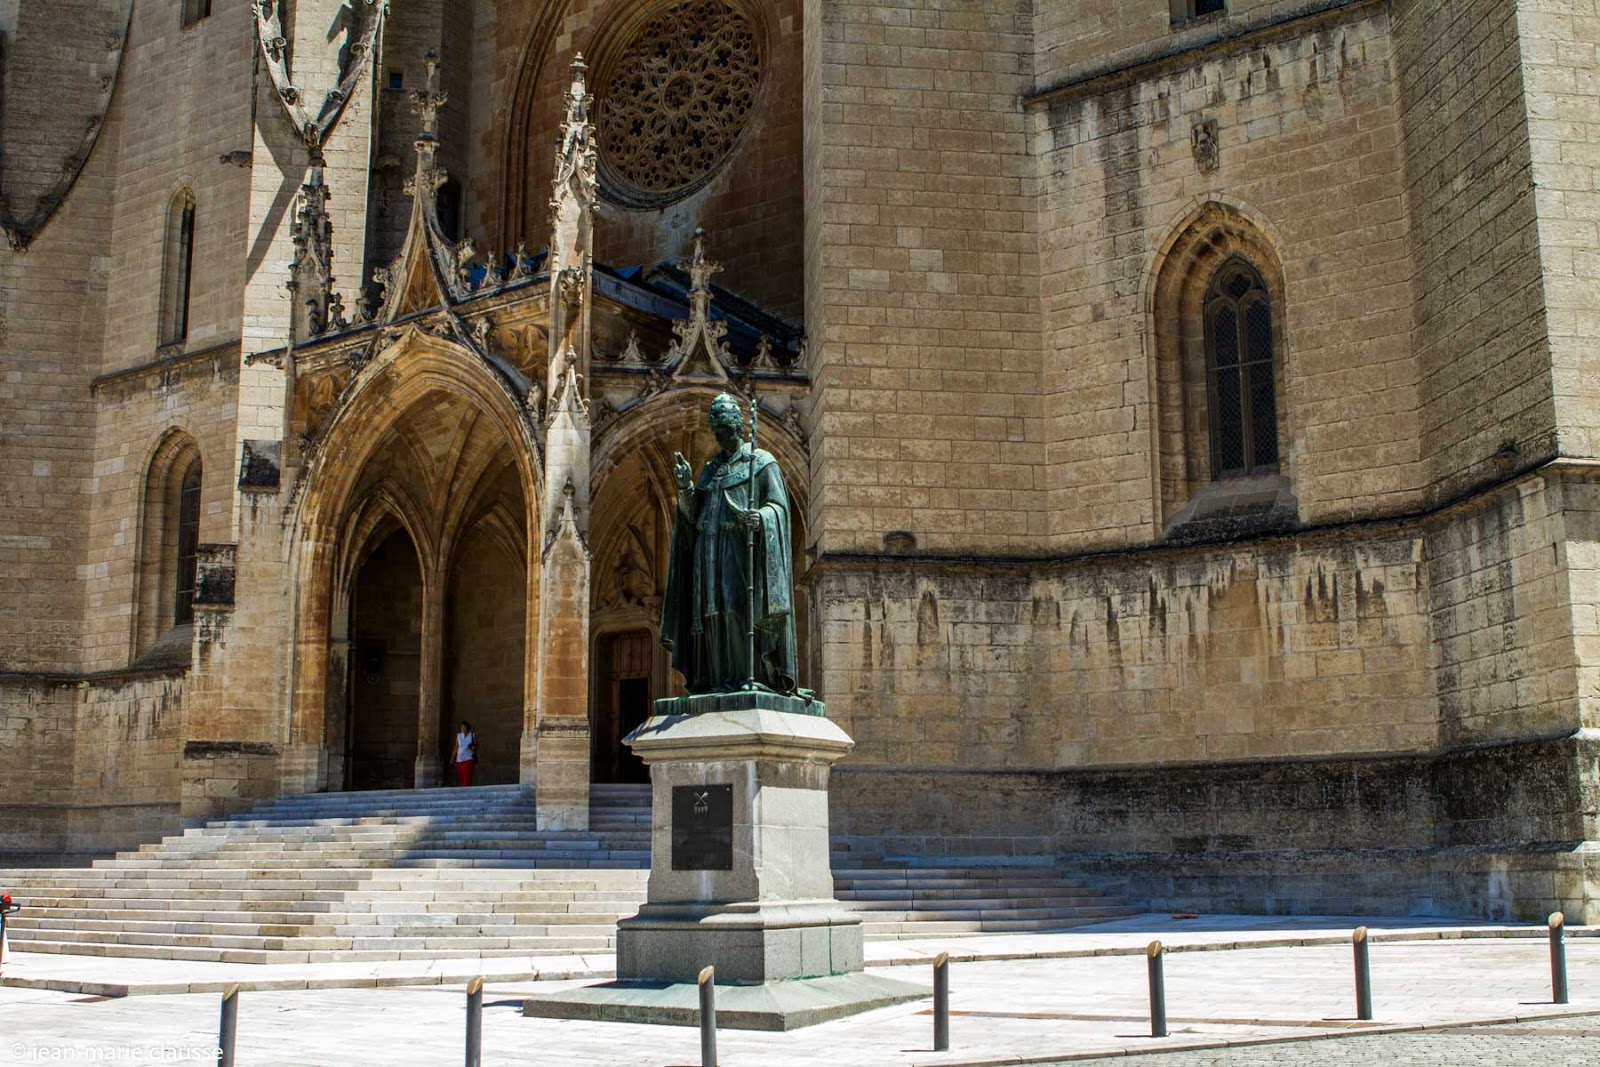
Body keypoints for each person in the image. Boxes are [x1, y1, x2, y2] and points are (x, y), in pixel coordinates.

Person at [660, 392, 798, 693]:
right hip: (707, 554)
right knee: (710, 614)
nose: (719, 438)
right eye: (716, 432)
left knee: (737, 609)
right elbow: (693, 516)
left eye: (724, 431)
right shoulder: (711, 469)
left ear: (738, 427)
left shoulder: (761, 463)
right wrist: (685, 486)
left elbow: (779, 508)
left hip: (739, 553)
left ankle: (750, 677)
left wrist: (761, 518)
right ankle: (716, 680)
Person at [453, 721, 476, 787]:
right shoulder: (459, 736)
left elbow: (476, 745)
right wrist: (452, 759)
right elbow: (456, 747)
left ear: (467, 728)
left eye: (464, 727)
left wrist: (473, 747)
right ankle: (465, 789)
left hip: (468, 758)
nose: (462, 728)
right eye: (461, 727)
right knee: (462, 776)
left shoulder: (472, 735)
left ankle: (466, 790)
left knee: (467, 775)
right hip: (459, 759)